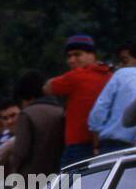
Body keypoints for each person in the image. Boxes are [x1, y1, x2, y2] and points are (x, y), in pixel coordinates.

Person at [43, 34, 112, 165]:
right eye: (69, 56)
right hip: (104, 143)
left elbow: (47, 88)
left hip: (78, 145)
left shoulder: (75, 76)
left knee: (68, 185)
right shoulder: (110, 75)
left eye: (77, 54)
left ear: (91, 55)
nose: (71, 60)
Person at [88, 36, 136, 153]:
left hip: (115, 144)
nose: (121, 65)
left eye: (124, 61)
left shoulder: (120, 74)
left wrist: (96, 143)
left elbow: (100, 108)